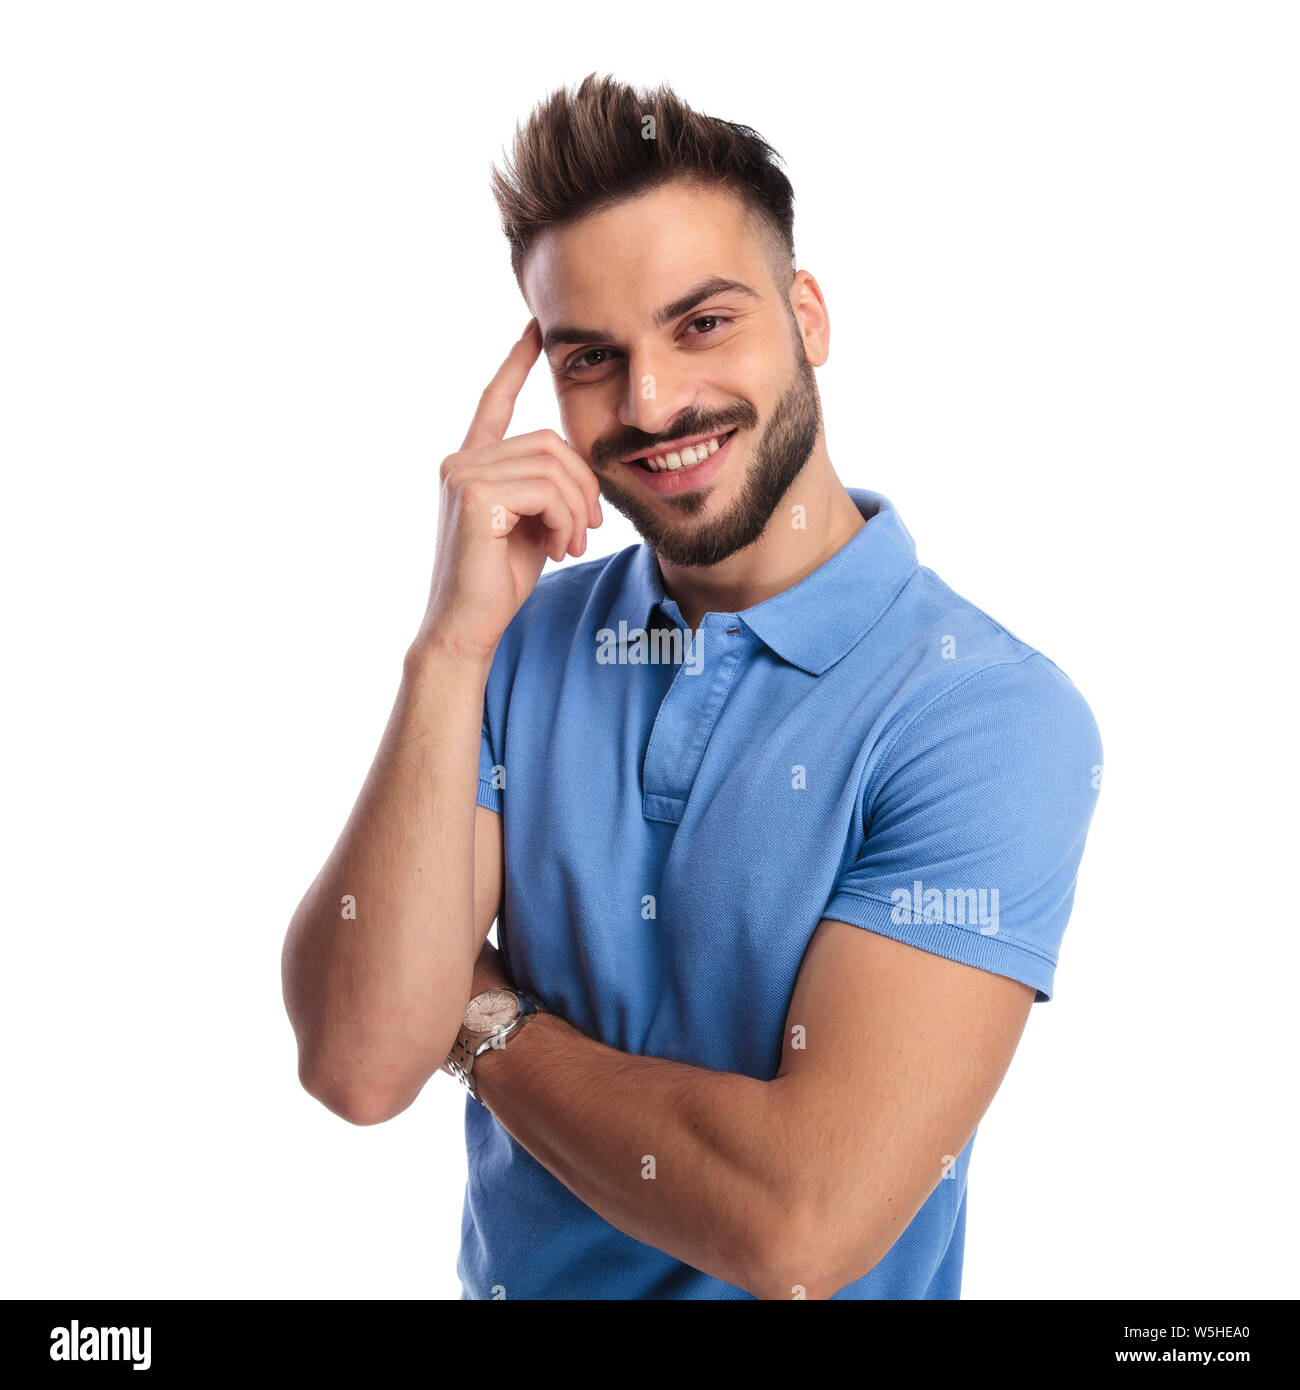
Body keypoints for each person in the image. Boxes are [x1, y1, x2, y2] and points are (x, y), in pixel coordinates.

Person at [281, 73, 1102, 1300]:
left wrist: (485, 1016)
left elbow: (795, 1225)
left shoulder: (983, 714)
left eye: (701, 323)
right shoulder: (516, 643)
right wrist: (449, 649)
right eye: (592, 356)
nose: (652, 402)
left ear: (807, 316)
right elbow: (356, 1060)